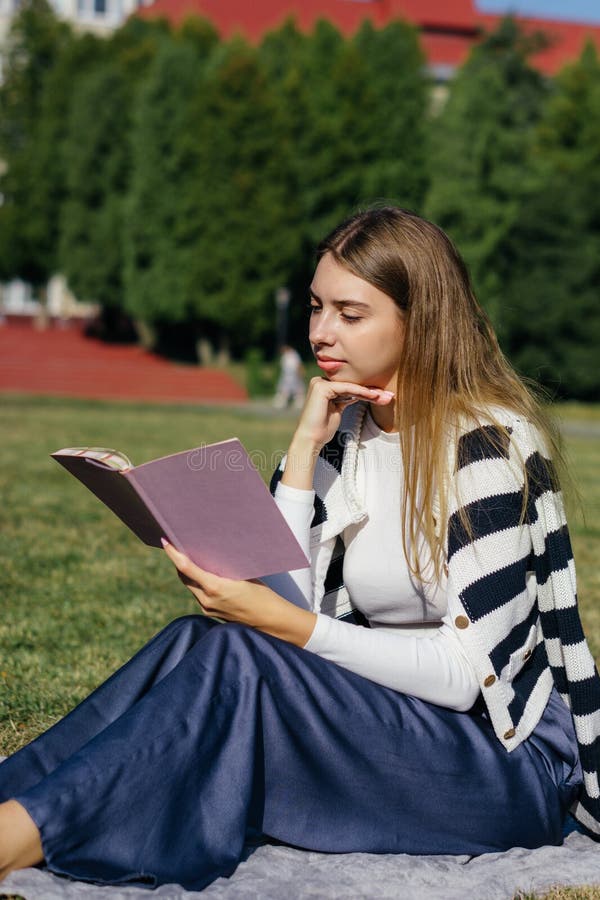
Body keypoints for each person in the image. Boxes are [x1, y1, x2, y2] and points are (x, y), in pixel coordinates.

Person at [1, 207, 599, 891]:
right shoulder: (347, 439)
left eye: (350, 313)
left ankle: (25, 832)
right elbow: (300, 606)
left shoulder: (486, 444)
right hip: (401, 723)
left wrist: (274, 620)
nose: (320, 331)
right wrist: (303, 450)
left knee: (239, 649)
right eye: (317, 307)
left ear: (419, 318)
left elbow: (462, 676)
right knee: (196, 641)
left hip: (505, 763)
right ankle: (13, 803)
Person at [273, 344, 306, 409]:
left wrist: (300, 373)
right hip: (286, 376)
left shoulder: (294, 355)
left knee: (298, 391)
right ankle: (281, 404)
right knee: (284, 391)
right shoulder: (285, 356)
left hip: (294, 376)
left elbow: (298, 365)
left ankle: (300, 404)